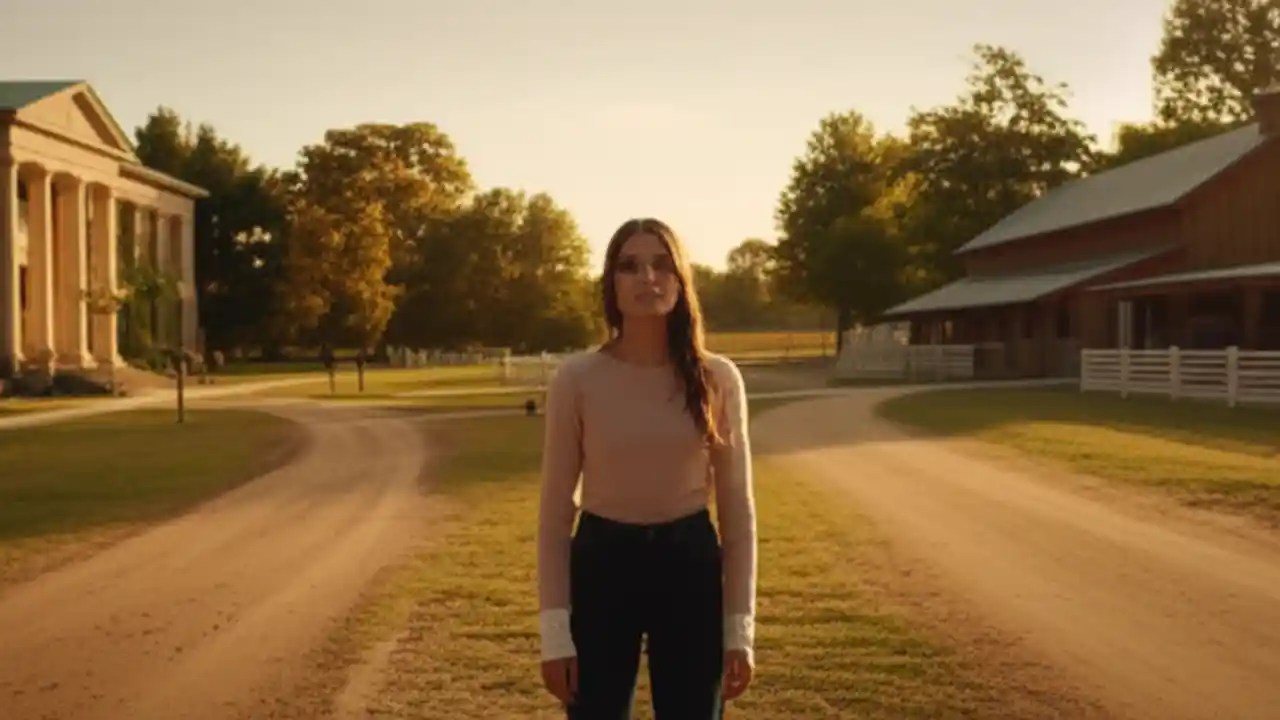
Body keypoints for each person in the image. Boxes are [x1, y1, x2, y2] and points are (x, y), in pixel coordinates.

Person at [537, 217, 758, 718]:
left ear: (681, 281)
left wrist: (738, 630)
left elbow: (738, 516)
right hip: (601, 566)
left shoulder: (718, 379)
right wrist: (554, 634)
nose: (647, 278)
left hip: (690, 567)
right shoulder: (577, 379)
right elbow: (553, 515)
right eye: (630, 266)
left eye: (661, 264)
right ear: (611, 284)